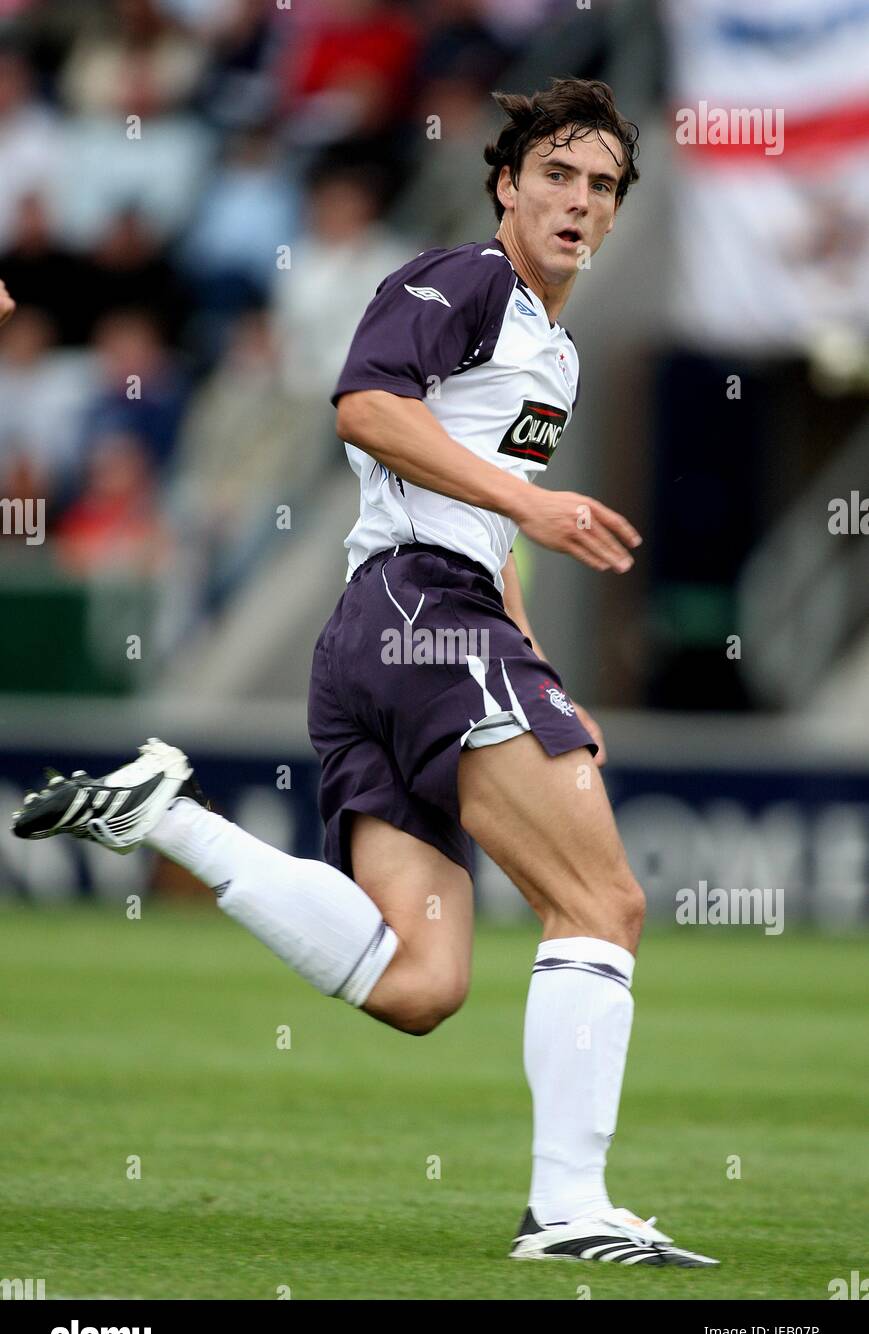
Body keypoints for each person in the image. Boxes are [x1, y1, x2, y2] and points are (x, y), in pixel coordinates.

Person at [10, 78, 717, 1268]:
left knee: (420, 980)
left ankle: (168, 817)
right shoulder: (468, 281)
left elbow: (486, 521)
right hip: (419, 616)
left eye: (600, 186)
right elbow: (365, 407)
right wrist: (526, 507)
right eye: (555, 173)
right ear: (504, 185)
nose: (577, 200)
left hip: (393, 636)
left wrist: (539, 665)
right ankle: (568, 1209)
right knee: (602, 904)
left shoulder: (552, 353)